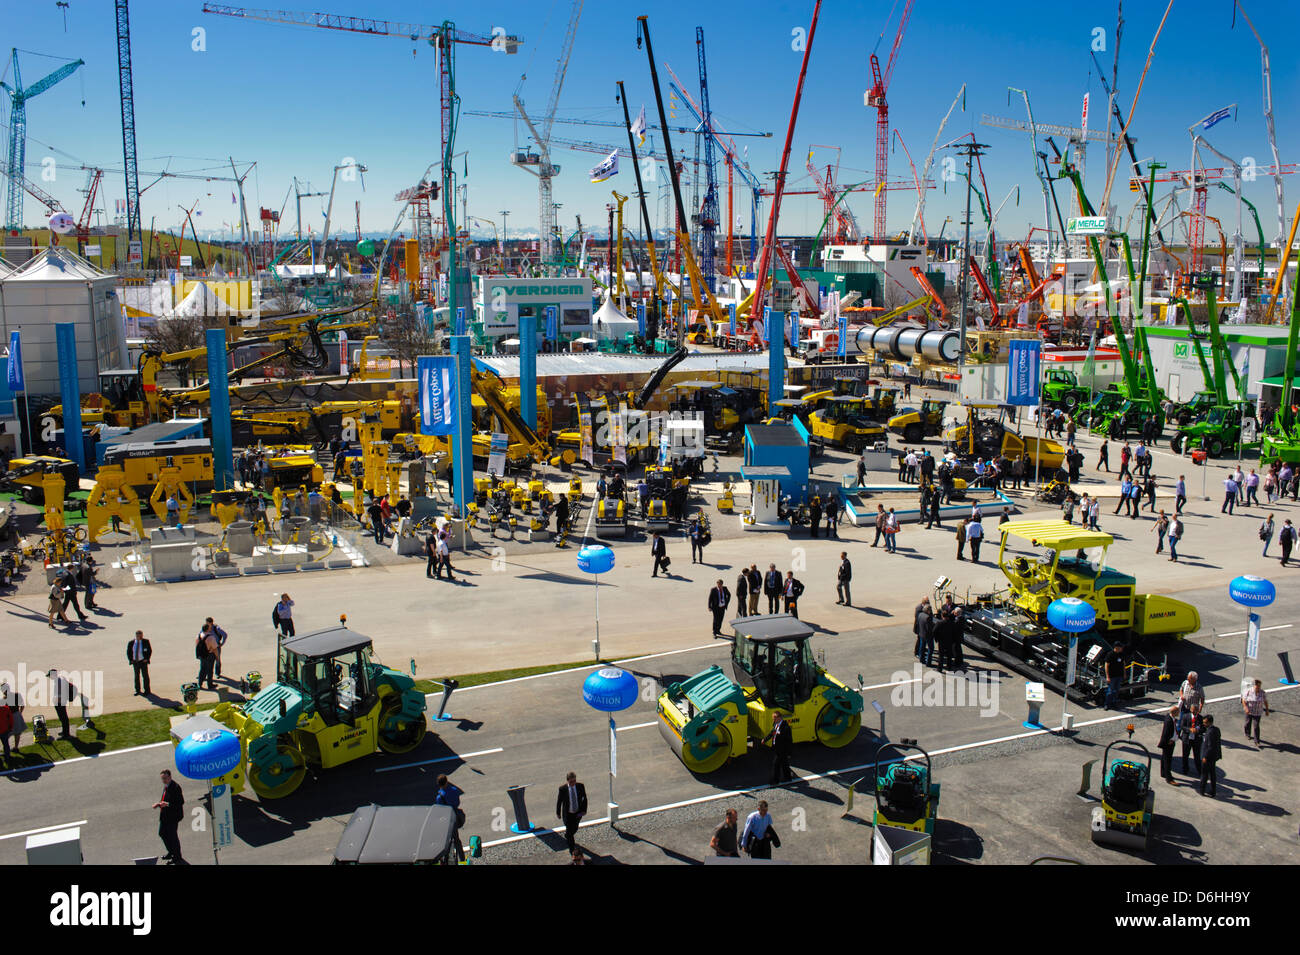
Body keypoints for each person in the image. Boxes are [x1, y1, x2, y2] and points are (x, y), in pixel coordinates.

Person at [153, 769, 185, 864]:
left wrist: (167, 804)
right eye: (162, 779)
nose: (164, 780)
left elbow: (180, 802)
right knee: (162, 833)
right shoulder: (166, 786)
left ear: (170, 777)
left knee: (172, 837)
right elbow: (165, 799)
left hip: (172, 817)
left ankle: (177, 857)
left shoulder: (175, 787)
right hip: (165, 816)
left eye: (165, 778)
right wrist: (159, 804)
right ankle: (171, 852)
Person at [434, 774, 466, 863]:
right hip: (454, 817)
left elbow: (440, 810)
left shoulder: (440, 797)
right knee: (456, 839)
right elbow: (458, 803)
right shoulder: (454, 790)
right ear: (446, 781)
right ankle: (462, 859)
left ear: (439, 784)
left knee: (445, 841)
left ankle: (445, 860)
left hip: (446, 820)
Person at [555, 772, 587, 853]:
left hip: (577, 813)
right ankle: (572, 849)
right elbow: (559, 801)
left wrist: (584, 810)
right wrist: (558, 812)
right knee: (570, 833)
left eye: (574, 781)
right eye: (571, 781)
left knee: (575, 828)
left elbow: (584, 798)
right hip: (568, 814)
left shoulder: (580, 786)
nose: (573, 783)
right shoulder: (563, 789)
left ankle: (568, 836)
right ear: (568, 781)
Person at [766, 711, 794, 784]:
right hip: (777, 748)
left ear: (779, 718)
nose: (773, 720)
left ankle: (775, 780)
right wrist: (765, 739)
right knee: (784, 764)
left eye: (775, 718)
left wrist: (789, 752)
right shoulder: (776, 724)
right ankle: (788, 778)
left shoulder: (785, 727)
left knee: (776, 764)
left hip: (782, 749)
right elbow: (772, 733)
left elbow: (788, 740)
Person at [1198, 714, 1222, 797]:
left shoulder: (1210, 732)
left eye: (1205, 722)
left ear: (1210, 722)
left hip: (1208, 757)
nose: (1204, 724)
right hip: (1214, 756)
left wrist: (1205, 756)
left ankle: (1202, 790)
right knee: (1212, 774)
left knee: (1204, 774)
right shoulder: (1216, 729)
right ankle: (1213, 790)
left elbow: (1210, 746)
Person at [1157, 705, 1179, 785]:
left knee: (1164, 758)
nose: (1179, 712)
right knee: (1167, 760)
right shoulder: (1169, 721)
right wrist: (1168, 741)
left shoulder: (1170, 718)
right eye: (1177, 711)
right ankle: (1169, 778)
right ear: (1174, 712)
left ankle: (1163, 773)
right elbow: (1166, 733)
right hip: (1168, 743)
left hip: (1170, 742)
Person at [127, 630, 152, 696]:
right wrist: (131, 660)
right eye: (138, 635)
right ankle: (137, 690)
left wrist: (146, 659)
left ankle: (147, 690)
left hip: (143, 661)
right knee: (136, 676)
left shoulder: (146, 642)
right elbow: (129, 652)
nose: (140, 637)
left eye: (141, 635)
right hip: (135, 662)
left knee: (145, 676)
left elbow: (149, 651)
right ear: (136, 635)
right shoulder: (131, 643)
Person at [1103, 642, 1126, 710]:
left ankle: (1114, 703)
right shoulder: (1110, 654)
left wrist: (1124, 674)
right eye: (1120, 647)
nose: (1122, 649)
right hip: (1112, 676)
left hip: (1119, 675)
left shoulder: (1121, 654)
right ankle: (1107, 704)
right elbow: (1106, 666)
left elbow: (1123, 664)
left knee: (1116, 690)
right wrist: (1107, 676)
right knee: (1110, 691)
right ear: (1116, 647)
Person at [196, 623, 219, 691]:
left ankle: (199, 683)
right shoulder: (211, 637)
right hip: (209, 655)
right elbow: (215, 648)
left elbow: (197, 645)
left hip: (202, 655)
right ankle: (210, 684)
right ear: (208, 629)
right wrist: (217, 657)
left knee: (202, 669)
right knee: (209, 670)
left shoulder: (198, 636)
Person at [913, 598, 934, 665]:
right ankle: (928, 662)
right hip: (926, 634)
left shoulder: (921, 614)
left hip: (921, 632)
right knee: (930, 648)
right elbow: (928, 628)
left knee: (922, 645)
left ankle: (921, 658)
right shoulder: (920, 611)